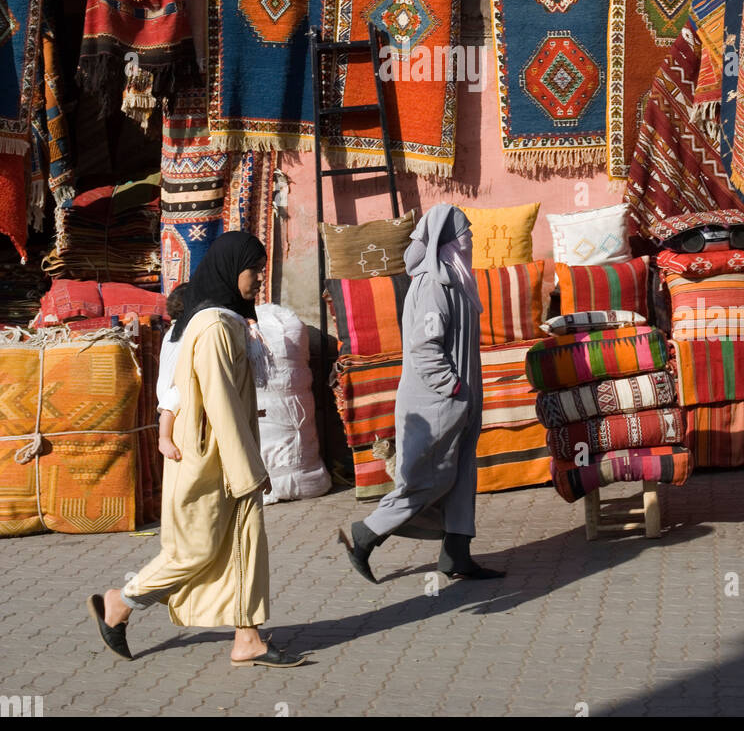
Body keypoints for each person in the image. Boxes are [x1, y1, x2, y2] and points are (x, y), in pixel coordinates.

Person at [87, 231, 305, 669]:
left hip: (222, 455)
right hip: (210, 459)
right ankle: (121, 601)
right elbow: (220, 402)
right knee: (198, 548)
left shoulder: (222, 320)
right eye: (253, 270)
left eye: (261, 270)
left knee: (242, 543)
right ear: (230, 269)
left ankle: (248, 638)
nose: (259, 279)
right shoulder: (214, 327)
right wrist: (248, 470)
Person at [339, 204, 504, 583]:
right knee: (429, 479)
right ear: (448, 239)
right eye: (466, 234)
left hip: (458, 401)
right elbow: (424, 348)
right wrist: (454, 386)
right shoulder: (433, 284)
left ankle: (456, 556)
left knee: (461, 476)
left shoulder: (456, 280)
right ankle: (366, 534)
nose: (470, 240)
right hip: (437, 402)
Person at [156, 283, 189, 462]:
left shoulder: (172, 332)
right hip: (173, 386)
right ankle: (164, 438)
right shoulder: (185, 331)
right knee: (173, 402)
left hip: (166, 383)